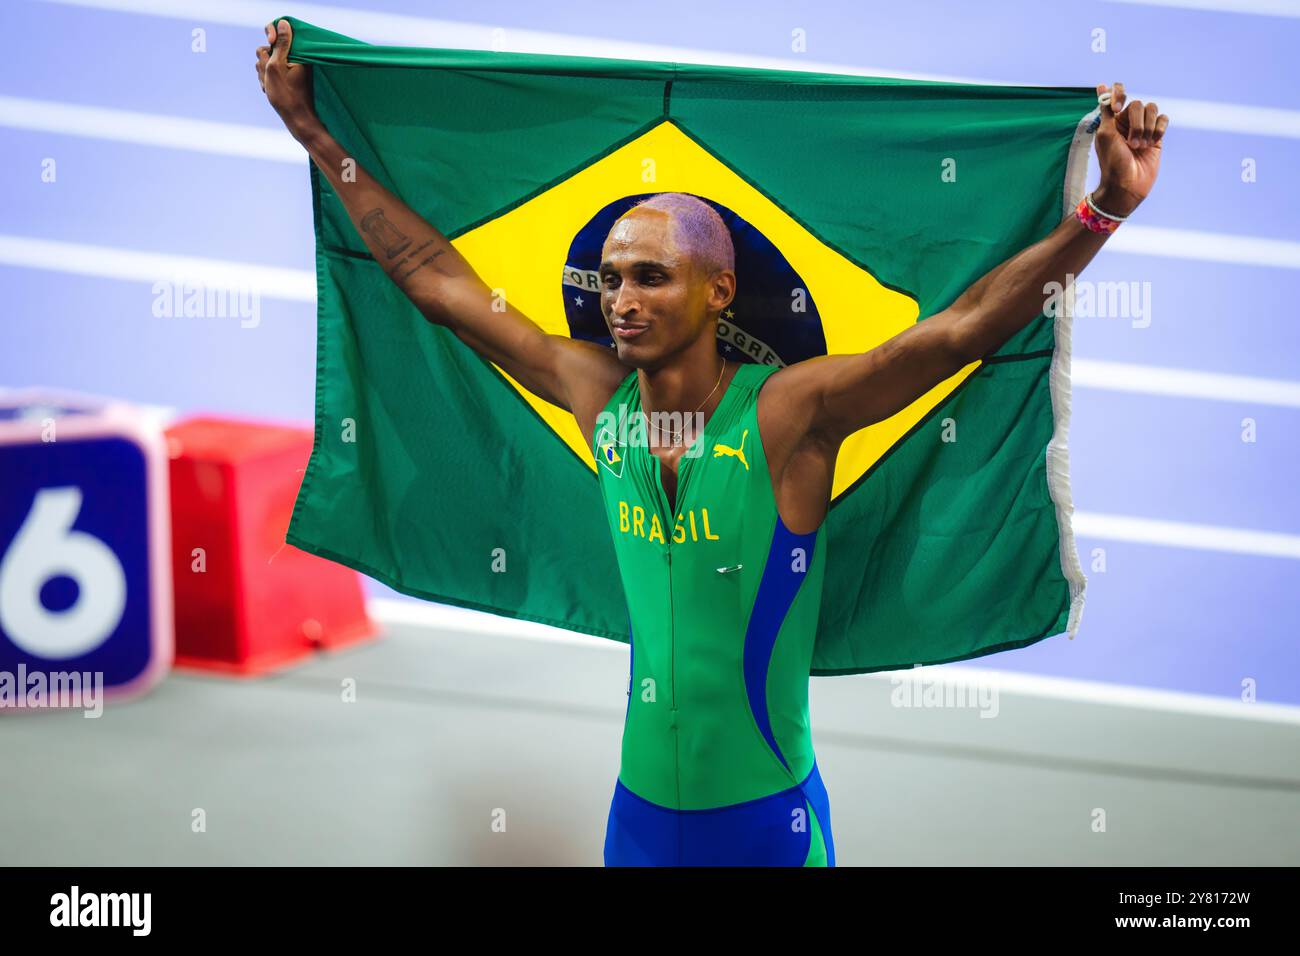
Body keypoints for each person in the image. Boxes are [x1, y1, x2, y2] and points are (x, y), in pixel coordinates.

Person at [256, 18, 1168, 866]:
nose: (623, 299)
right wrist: (314, 134)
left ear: (719, 294)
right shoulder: (594, 394)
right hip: (638, 821)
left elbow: (959, 331)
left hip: (769, 824)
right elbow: (439, 285)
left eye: (653, 277)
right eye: (612, 279)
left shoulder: (790, 414)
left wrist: (1103, 212)